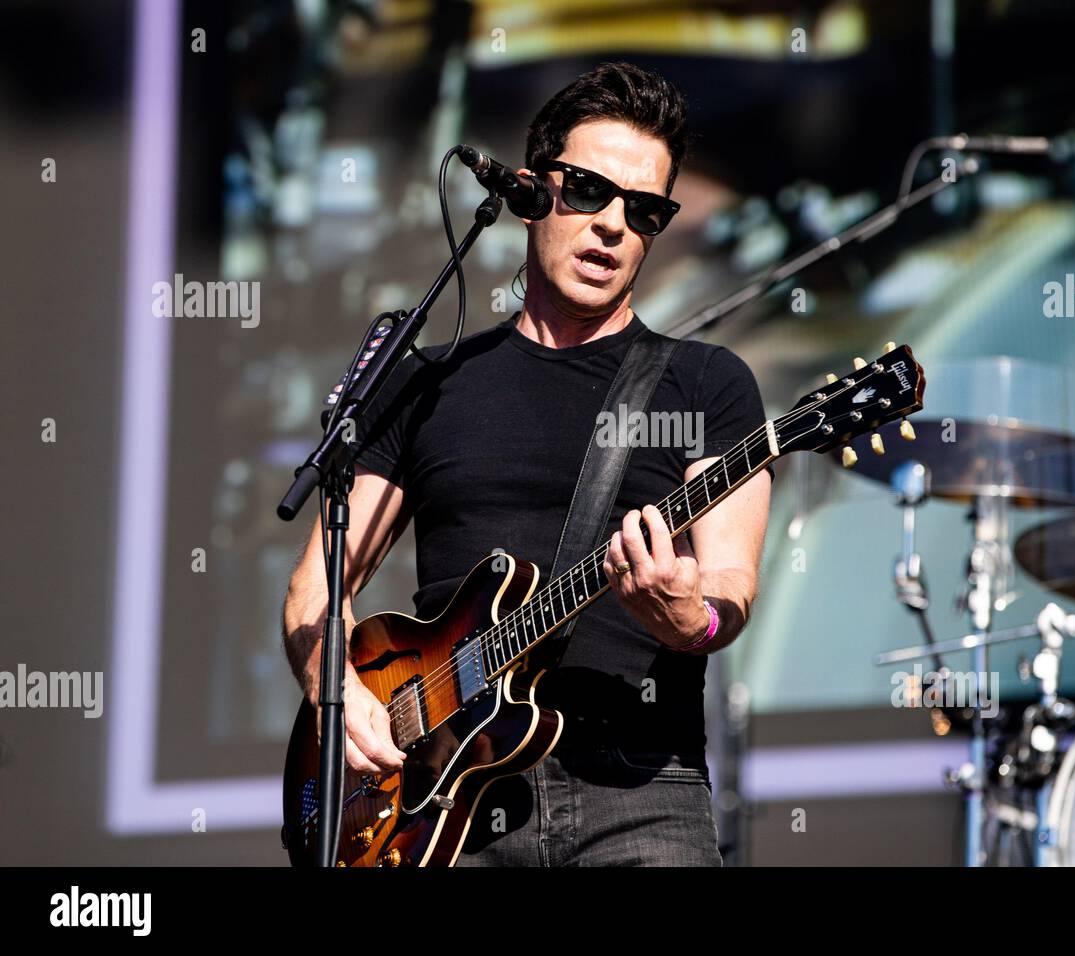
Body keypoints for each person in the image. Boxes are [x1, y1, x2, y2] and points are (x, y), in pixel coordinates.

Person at [282, 61, 771, 866]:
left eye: (643, 210)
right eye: (587, 191)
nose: (613, 224)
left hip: (641, 795)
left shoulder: (707, 382)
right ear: (532, 190)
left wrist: (691, 617)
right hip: (443, 800)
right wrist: (336, 697)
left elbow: (728, 593)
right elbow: (318, 587)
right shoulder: (426, 382)